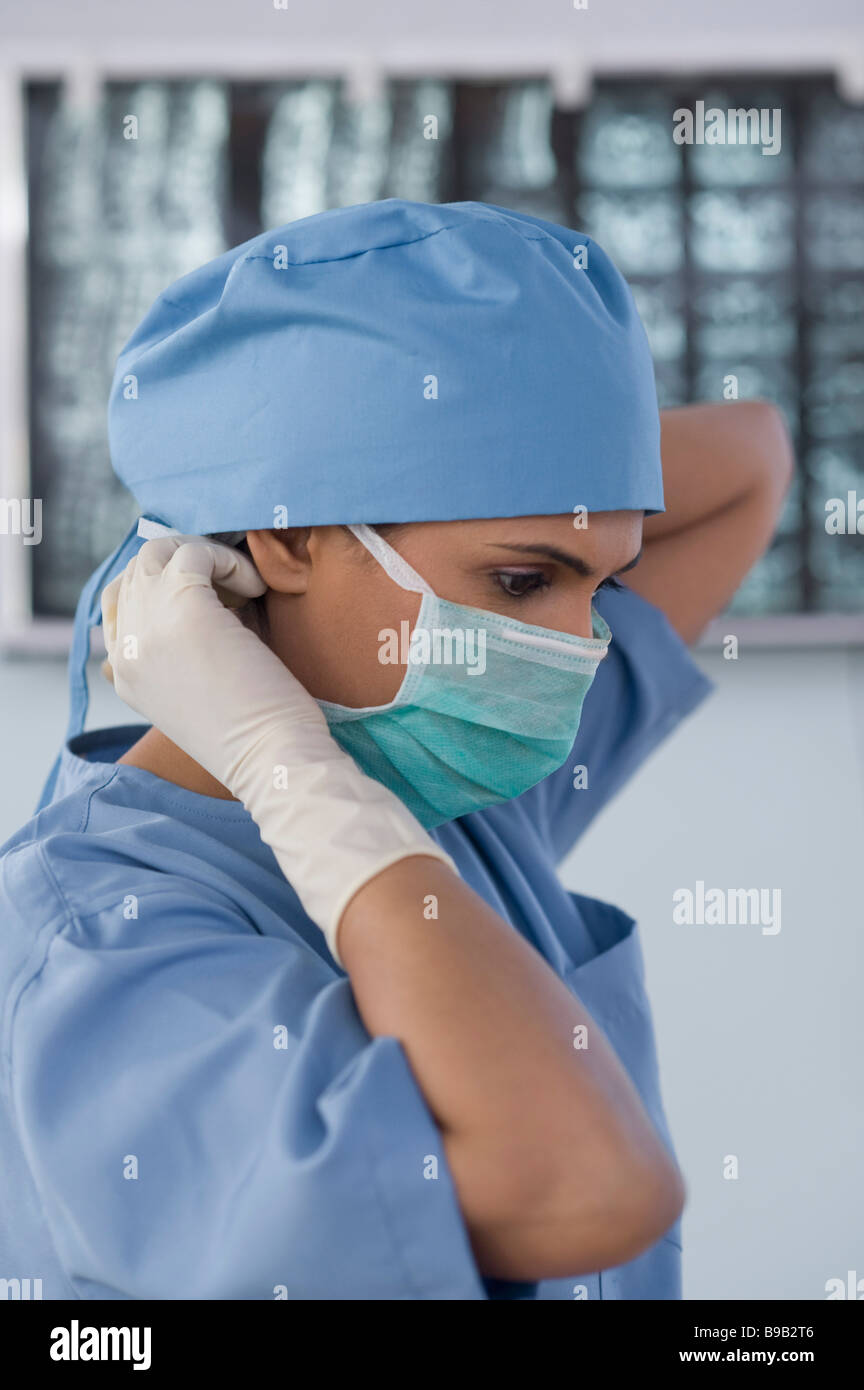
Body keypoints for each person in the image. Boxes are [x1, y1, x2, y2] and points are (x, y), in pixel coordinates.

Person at [0, 199, 793, 1300]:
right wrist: (281, 758)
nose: (577, 651)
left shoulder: (451, 776)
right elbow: (586, 1189)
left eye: (602, 580)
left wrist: (546, 429)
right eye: (522, 580)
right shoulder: (100, 950)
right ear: (283, 535)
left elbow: (756, 456)